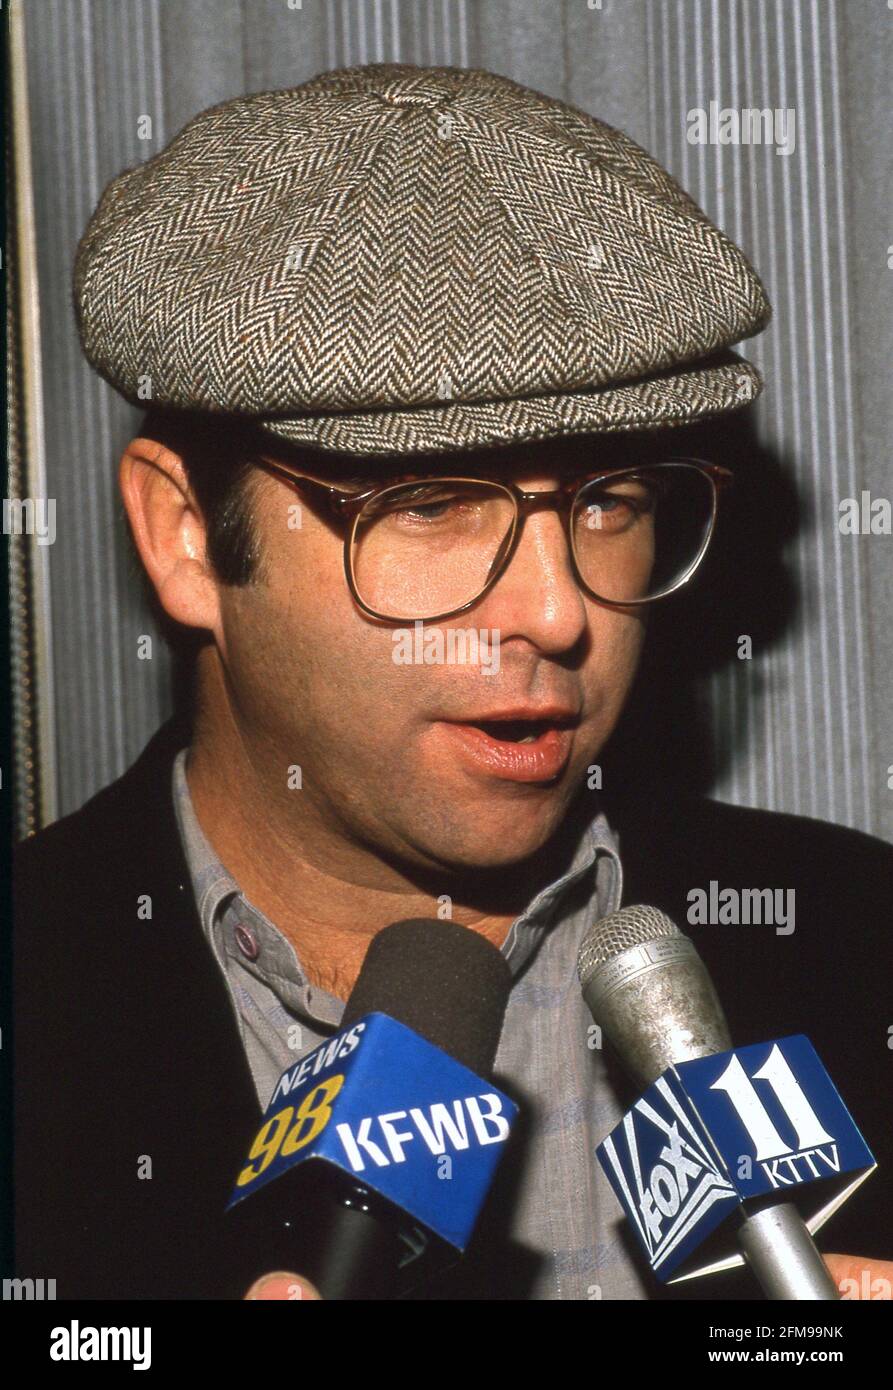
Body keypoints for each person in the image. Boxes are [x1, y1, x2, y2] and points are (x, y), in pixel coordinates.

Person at [12, 62, 892, 1301]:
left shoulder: (861, 939)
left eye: (606, 498)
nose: (558, 609)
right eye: (426, 503)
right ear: (185, 538)